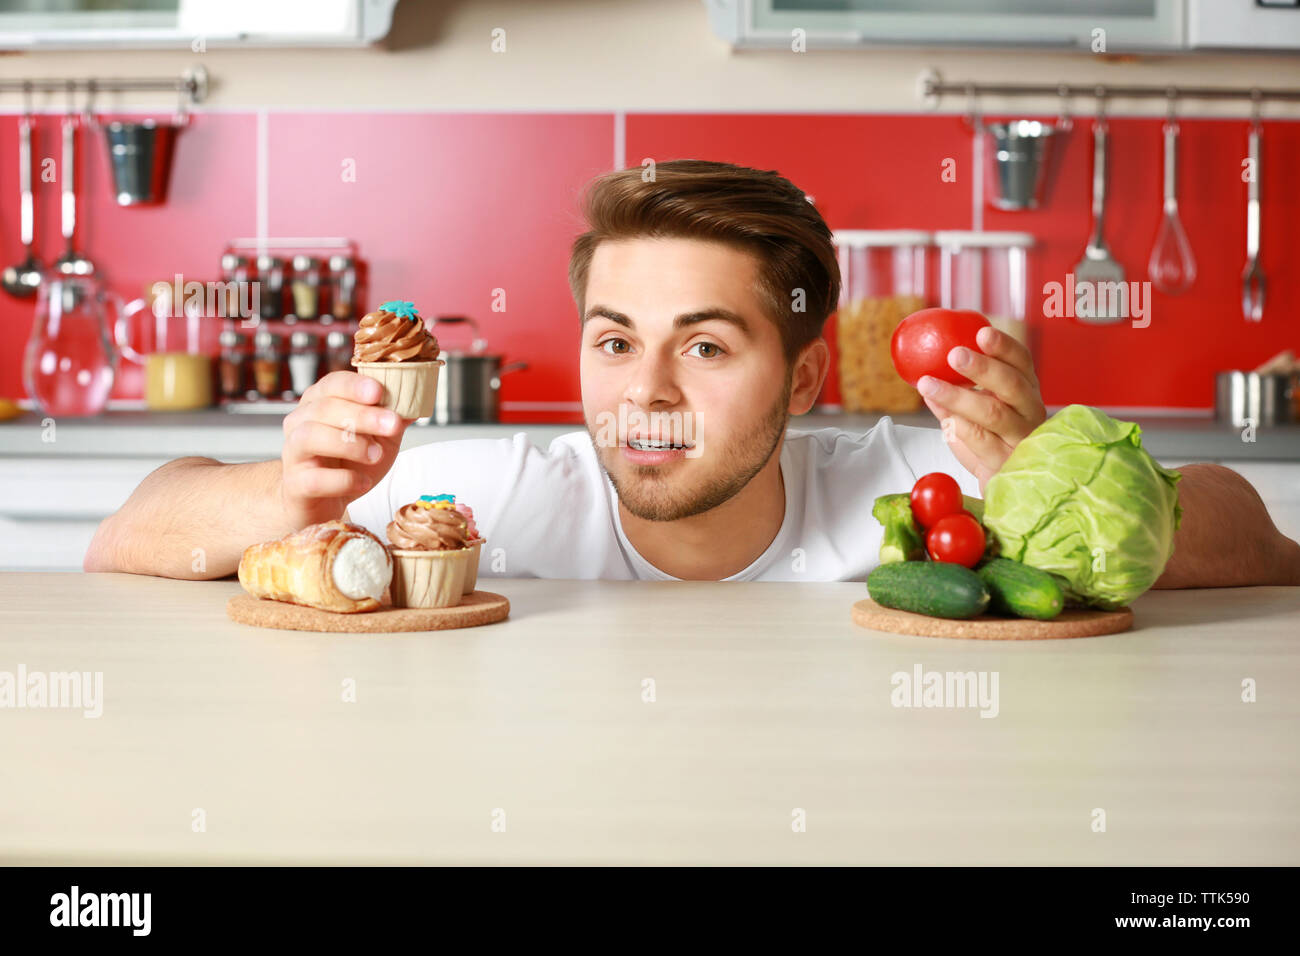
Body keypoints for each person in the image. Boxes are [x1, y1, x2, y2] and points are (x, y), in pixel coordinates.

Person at [85, 160, 1300, 587]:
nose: (644, 390)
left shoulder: (936, 495)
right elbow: (125, 532)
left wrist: (1053, 476)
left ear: (809, 376)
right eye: (614, 339)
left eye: (706, 345)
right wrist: (292, 492)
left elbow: (1260, 542)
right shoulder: (492, 500)